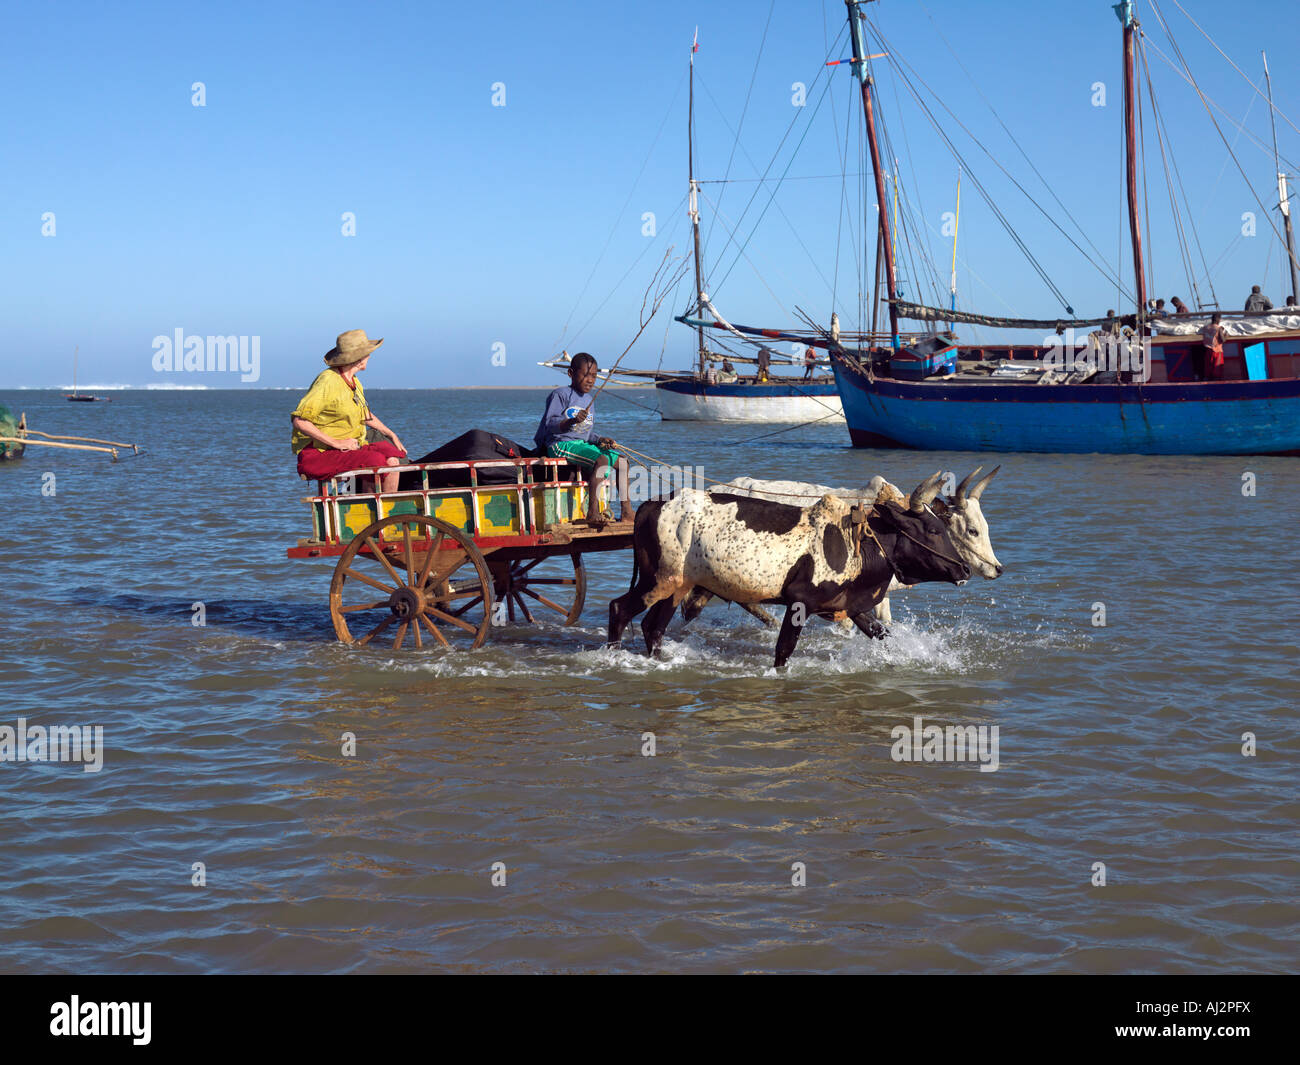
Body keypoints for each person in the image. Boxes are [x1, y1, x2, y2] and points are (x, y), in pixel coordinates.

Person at [291, 329, 406, 492]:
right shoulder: (327, 381)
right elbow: (300, 421)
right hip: (320, 451)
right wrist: (337, 442)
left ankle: (385, 513)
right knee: (375, 460)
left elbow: (364, 415)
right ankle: (369, 511)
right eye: (368, 354)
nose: (370, 357)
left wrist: (391, 434)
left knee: (393, 457)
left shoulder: (355, 382)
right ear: (358, 358)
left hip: (351, 445)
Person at [534, 352, 633, 523]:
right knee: (600, 461)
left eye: (594, 376)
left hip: (580, 444)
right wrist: (571, 420)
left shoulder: (589, 399)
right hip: (560, 444)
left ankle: (627, 512)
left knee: (623, 462)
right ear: (571, 374)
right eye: (585, 375)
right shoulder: (560, 394)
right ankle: (592, 512)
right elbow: (550, 423)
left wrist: (600, 439)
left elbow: (585, 434)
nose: (590, 380)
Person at [1198, 313, 1226, 381]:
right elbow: (1222, 340)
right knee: (1217, 369)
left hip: (1208, 350)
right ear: (1219, 320)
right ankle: (1217, 384)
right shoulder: (1219, 328)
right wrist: (1226, 335)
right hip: (1217, 351)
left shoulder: (1206, 327)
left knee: (1208, 368)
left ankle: (1209, 382)